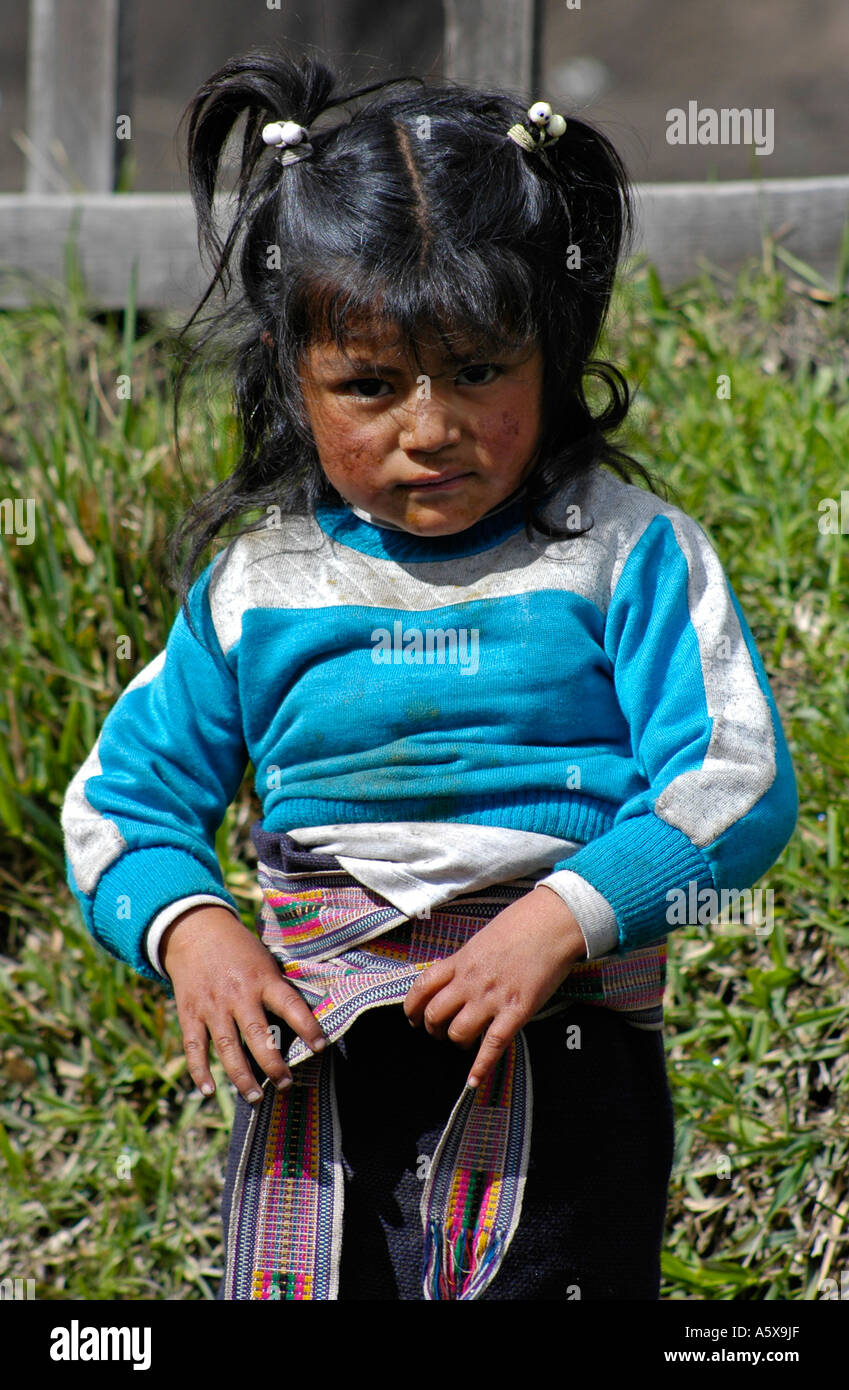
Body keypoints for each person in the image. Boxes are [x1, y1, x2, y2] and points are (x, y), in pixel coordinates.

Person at [61, 48, 798, 1302]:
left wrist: (561, 916)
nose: (429, 424)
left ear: (551, 353)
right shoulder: (261, 588)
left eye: (477, 370)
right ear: (294, 382)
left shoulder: (626, 557)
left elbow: (733, 779)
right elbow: (118, 808)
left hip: (556, 1055)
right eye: (369, 383)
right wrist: (192, 934)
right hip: (323, 1064)